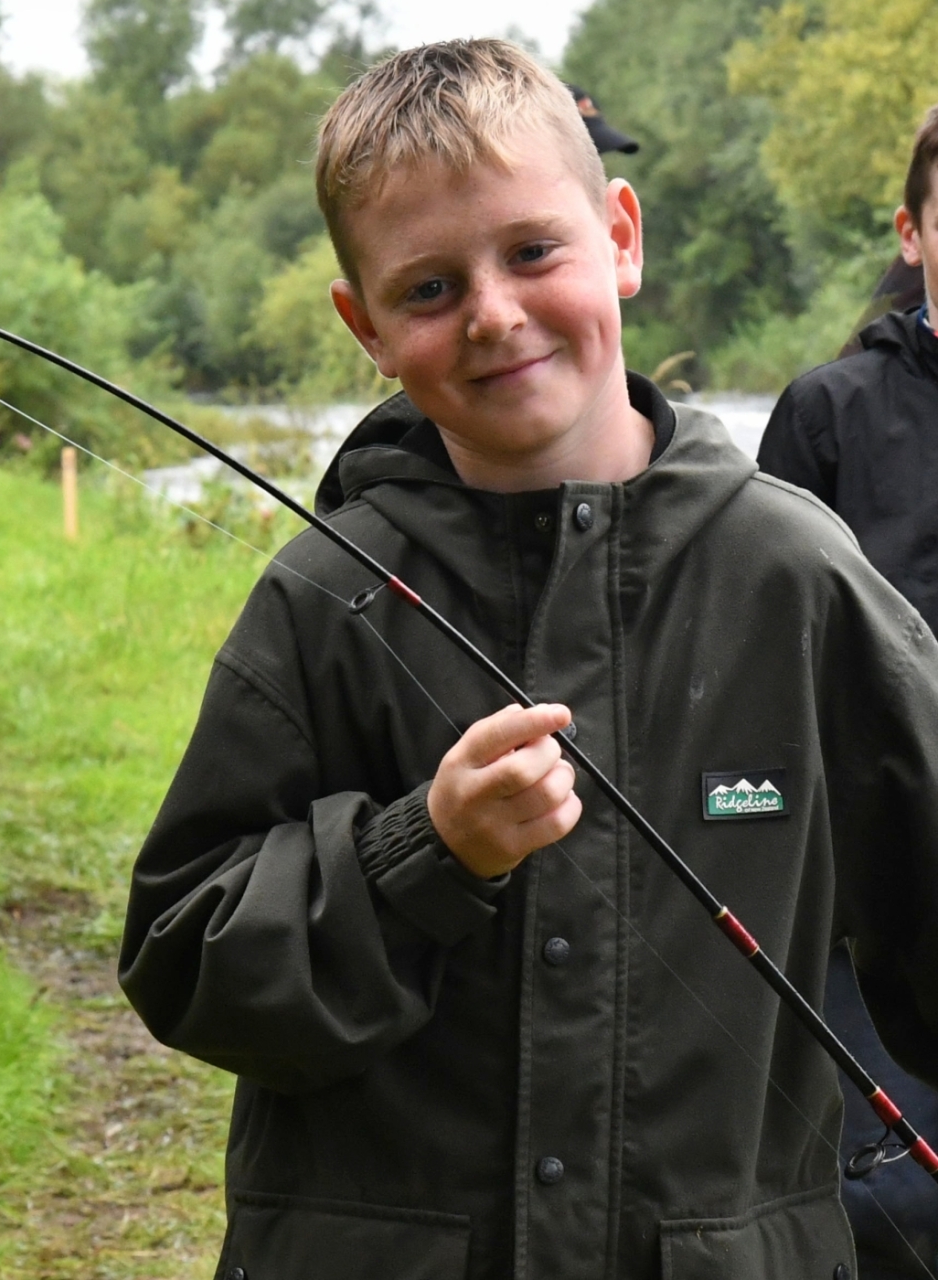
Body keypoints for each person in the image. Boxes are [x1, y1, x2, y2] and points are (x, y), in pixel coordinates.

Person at [119, 40, 938, 1279]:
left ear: (620, 235)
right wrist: (420, 857)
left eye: (532, 251)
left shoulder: (799, 575)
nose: (494, 313)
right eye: (432, 287)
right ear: (367, 327)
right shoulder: (323, 595)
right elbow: (183, 955)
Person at [756, 104, 938, 1280]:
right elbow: (765, 671)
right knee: (898, 1210)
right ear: (913, 233)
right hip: (882, 902)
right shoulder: (828, 413)